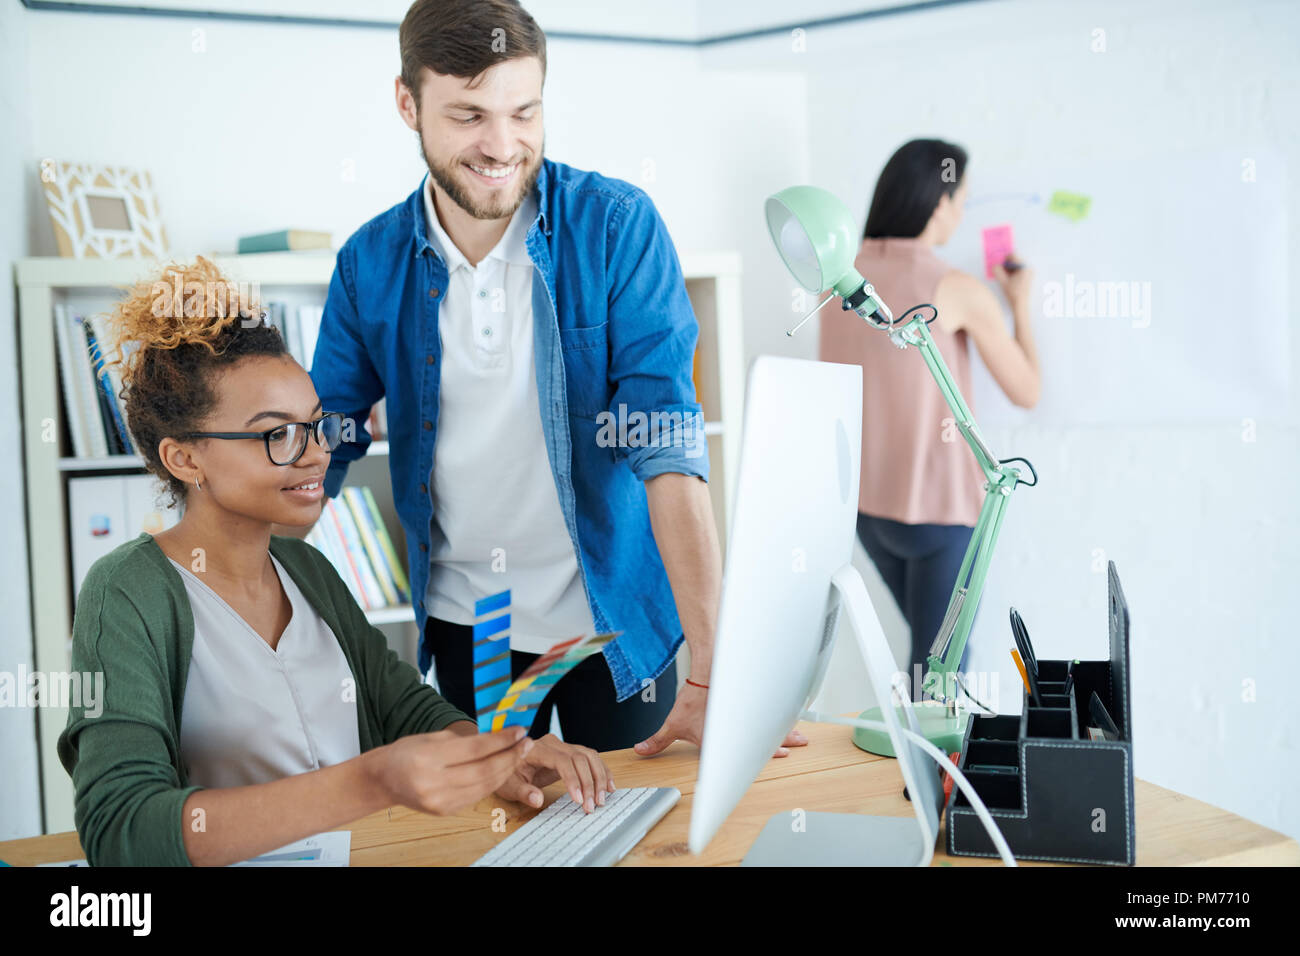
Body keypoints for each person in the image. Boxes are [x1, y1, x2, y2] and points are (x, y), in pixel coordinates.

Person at [289, 0, 806, 759]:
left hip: (612, 613)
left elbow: (665, 443)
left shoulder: (617, 228)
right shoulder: (369, 264)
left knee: (635, 819)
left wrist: (716, 659)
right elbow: (320, 445)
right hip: (481, 622)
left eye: (523, 112)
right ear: (408, 104)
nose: (502, 145)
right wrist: (206, 558)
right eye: (468, 115)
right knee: (504, 822)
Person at [57, 257, 615, 867]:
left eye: (317, 425)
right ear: (185, 459)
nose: (317, 453)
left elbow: (405, 709)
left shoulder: (306, 569)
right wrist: (370, 783)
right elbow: (120, 830)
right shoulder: (128, 593)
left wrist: (502, 755)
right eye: (278, 434)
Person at [819, 138, 1041, 695]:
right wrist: (1020, 306)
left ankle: (914, 778)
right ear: (938, 200)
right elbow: (1027, 390)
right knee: (939, 676)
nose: (962, 213)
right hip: (940, 514)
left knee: (925, 661)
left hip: (867, 510)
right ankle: (925, 783)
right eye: (960, 198)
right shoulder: (956, 288)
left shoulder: (840, 278)